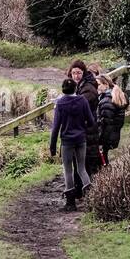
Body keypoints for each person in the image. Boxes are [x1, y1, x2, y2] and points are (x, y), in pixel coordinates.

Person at [50, 77, 95, 211]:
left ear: (63, 90)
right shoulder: (83, 100)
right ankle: (91, 200)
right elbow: (91, 121)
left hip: (67, 141)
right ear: (76, 88)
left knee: (68, 170)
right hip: (81, 139)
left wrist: (52, 147)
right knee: (82, 169)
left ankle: (70, 203)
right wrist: (82, 128)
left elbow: (56, 127)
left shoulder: (60, 104)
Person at [69, 59, 104, 177]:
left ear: (83, 72)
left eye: (78, 73)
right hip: (82, 130)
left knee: (87, 164)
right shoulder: (79, 86)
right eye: (74, 73)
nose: (76, 76)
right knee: (81, 164)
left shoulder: (88, 88)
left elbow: (79, 108)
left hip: (88, 131)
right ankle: (81, 191)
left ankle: (86, 192)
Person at [96, 75, 129, 166]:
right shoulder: (114, 96)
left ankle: (103, 179)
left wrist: (100, 141)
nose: (95, 87)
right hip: (112, 136)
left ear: (106, 84)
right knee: (104, 160)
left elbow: (106, 124)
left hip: (106, 137)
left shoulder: (107, 101)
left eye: (98, 84)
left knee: (102, 162)